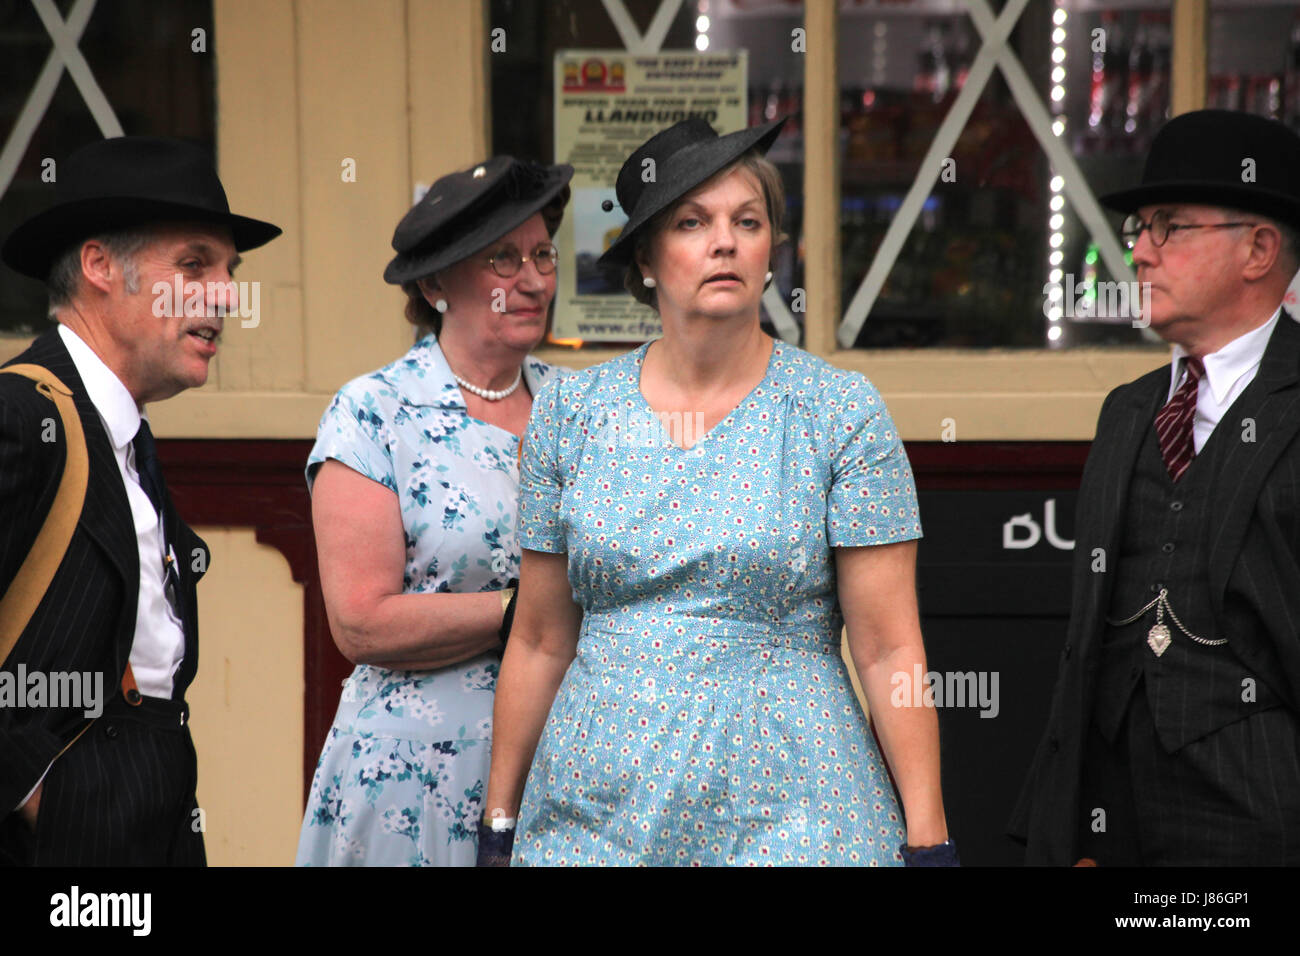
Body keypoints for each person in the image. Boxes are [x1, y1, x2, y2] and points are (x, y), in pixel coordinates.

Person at [480, 117, 954, 866]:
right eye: (692, 222)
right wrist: (498, 821)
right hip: (596, 807)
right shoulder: (572, 415)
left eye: (748, 221)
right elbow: (539, 640)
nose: (724, 241)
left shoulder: (839, 412)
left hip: (796, 808)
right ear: (645, 257)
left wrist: (929, 838)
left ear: (770, 252)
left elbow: (890, 649)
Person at [1010, 109, 1300, 865]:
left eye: (1169, 227)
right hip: (1116, 817)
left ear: (1259, 248)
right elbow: (1089, 647)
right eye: (1140, 227)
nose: (1138, 252)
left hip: (1264, 815)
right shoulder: (1128, 411)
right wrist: (1070, 818)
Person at [0, 136, 281, 865]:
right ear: (98, 265)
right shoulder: (18, 418)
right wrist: (43, 791)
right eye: (193, 265)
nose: (225, 294)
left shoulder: (123, 438)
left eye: (229, 272)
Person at [295, 156, 572, 866]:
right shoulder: (375, 411)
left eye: (543, 253)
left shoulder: (582, 408)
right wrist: (524, 611)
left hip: (566, 767)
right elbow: (361, 621)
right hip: (416, 781)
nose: (535, 279)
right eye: (504, 258)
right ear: (435, 284)